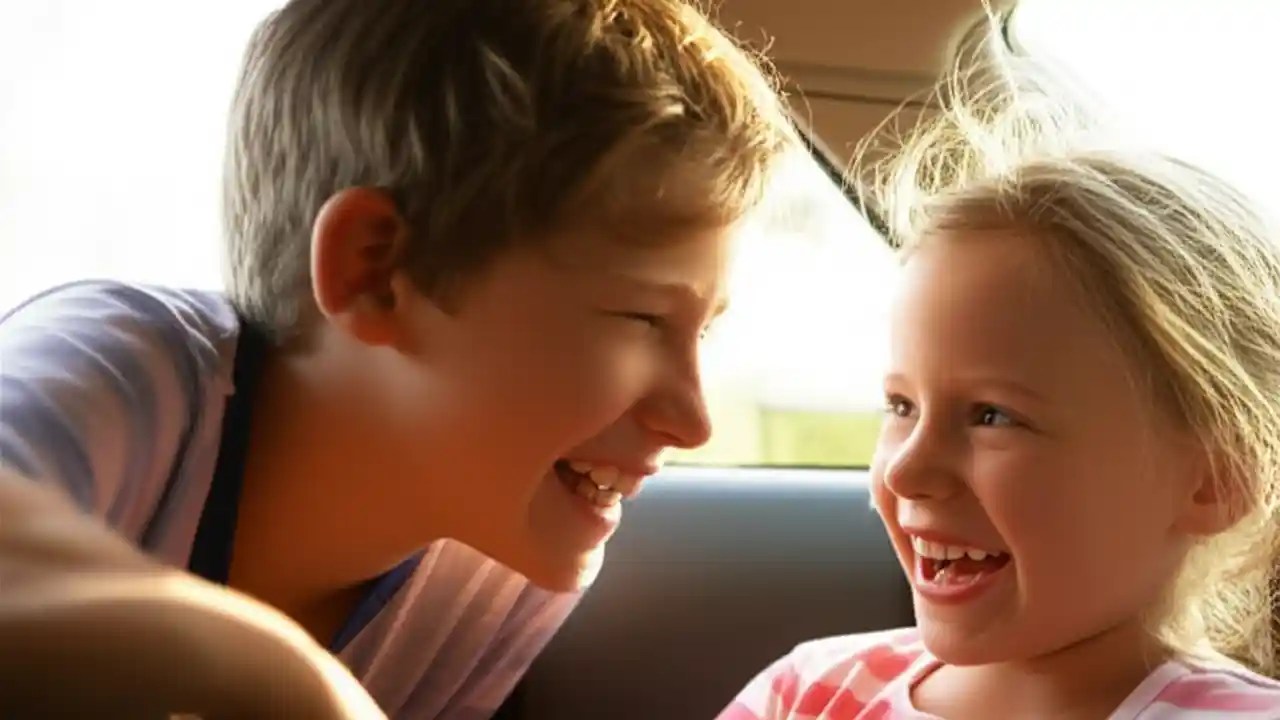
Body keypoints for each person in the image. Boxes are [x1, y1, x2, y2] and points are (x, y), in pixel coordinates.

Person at [0, 0, 793, 716]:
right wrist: (285, 679)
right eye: (641, 317)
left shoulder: (494, 571)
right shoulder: (129, 377)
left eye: (704, 332)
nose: (693, 422)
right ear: (375, 271)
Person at [717, 13, 1280, 720]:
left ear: (1215, 480)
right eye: (901, 407)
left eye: (992, 416)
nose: (903, 470)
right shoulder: (812, 693)